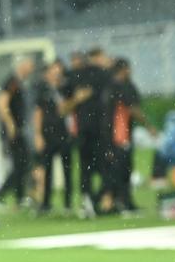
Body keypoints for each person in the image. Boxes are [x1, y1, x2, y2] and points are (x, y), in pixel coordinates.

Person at [99, 58, 155, 215]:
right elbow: (132, 109)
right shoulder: (122, 87)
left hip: (109, 135)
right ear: (123, 70)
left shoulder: (108, 87)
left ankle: (116, 202)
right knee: (122, 171)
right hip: (120, 135)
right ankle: (121, 202)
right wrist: (149, 126)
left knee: (116, 171)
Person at [33, 61, 80, 214]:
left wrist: (68, 103)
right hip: (48, 135)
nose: (56, 74)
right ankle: (46, 204)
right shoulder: (43, 89)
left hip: (64, 134)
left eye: (58, 71)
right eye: (53, 71)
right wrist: (38, 134)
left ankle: (67, 204)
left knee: (67, 170)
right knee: (47, 170)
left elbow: (70, 109)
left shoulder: (66, 89)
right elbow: (38, 112)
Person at [67, 48, 107, 217]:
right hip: (92, 130)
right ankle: (93, 200)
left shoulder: (75, 77)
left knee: (89, 168)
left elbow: (73, 100)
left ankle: (92, 200)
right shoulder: (99, 74)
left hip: (89, 129)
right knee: (95, 167)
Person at [0, 57, 34, 208]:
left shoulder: (20, 83)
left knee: (23, 164)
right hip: (13, 131)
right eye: (29, 66)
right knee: (19, 164)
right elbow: (2, 102)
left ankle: (20, 197)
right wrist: (10, 124)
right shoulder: (12, 81)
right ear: (22, 66)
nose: (30, 70)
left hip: (19, 130)